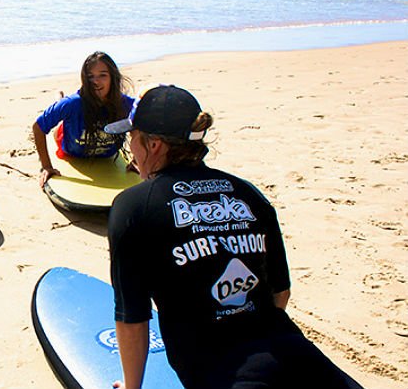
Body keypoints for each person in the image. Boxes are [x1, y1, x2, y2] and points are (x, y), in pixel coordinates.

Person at [104, 85, 363, 389]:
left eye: (132, 137)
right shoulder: (247, 192)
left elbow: (133, 318)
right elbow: (280, 292)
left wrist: (132, 387)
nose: (130, 147)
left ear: (155, 145)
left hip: (230, 376)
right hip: (298, 356)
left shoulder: (133, 207)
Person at [32, 51, 135, 188]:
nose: (95, 82)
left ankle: (59, 100)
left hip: (107, 156)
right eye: (90, 76)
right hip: (68, 146)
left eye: (102, 75)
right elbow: (38, 126)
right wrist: (46, 166)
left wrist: (137, 160)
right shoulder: (73, 104)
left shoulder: (124, 103)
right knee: (62, 115)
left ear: (113, 78)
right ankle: (59, 99)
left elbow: (145, 123)